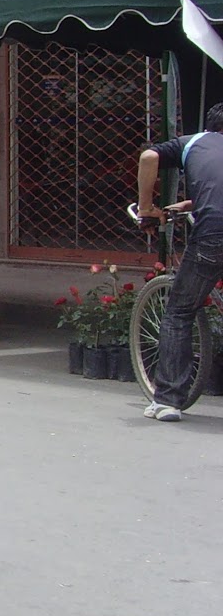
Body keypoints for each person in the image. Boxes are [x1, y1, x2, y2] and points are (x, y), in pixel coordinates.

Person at [136, 101, 223, 421]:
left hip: (214, 235)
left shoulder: (196, 142)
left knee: (179, 311)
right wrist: (183, 205)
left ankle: (167, 400)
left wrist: (148, 207)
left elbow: (148, 157)